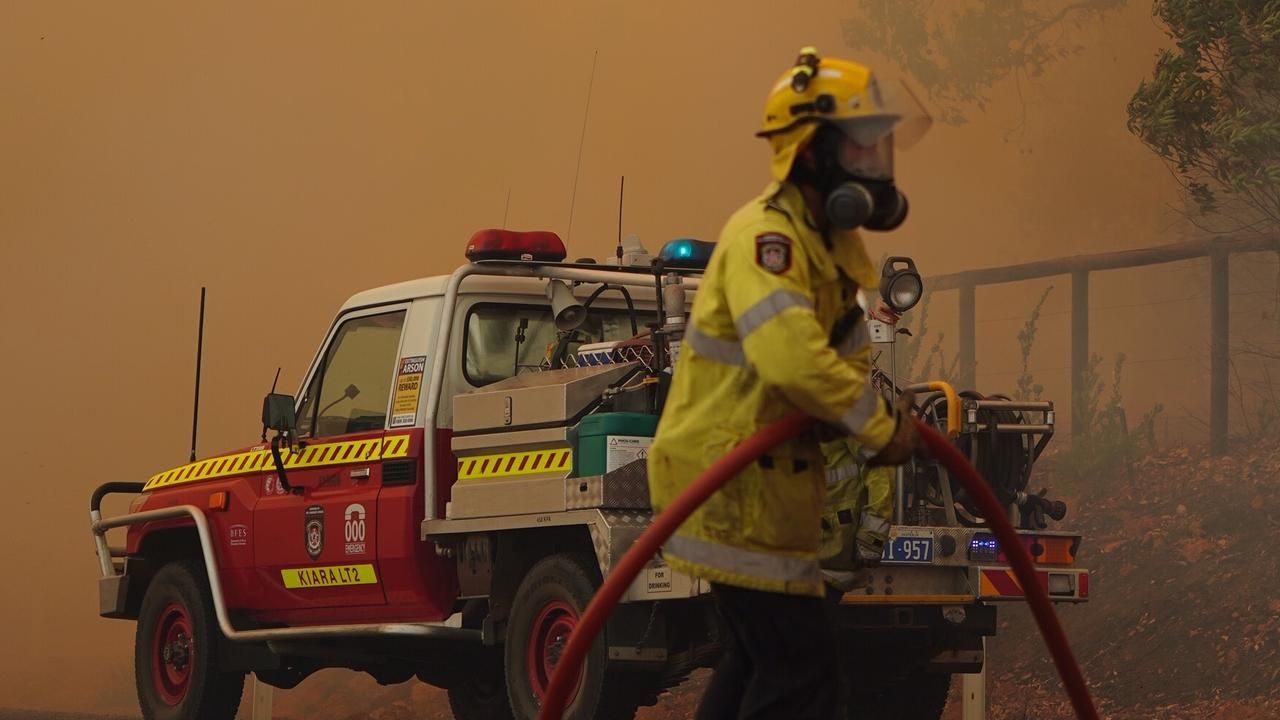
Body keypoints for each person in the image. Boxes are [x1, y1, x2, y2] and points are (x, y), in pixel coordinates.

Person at [647, 47, 929, 720]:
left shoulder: (828, 251)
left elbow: (849, 361)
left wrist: (865, 414)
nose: (877, 166)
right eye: (862, 149)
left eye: (879, 149)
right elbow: (792, 361)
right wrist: (879, 428)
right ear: (811, 153)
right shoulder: (764, 240)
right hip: (732, 487)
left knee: (761, 662)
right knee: (803, 675)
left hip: (767, 495)